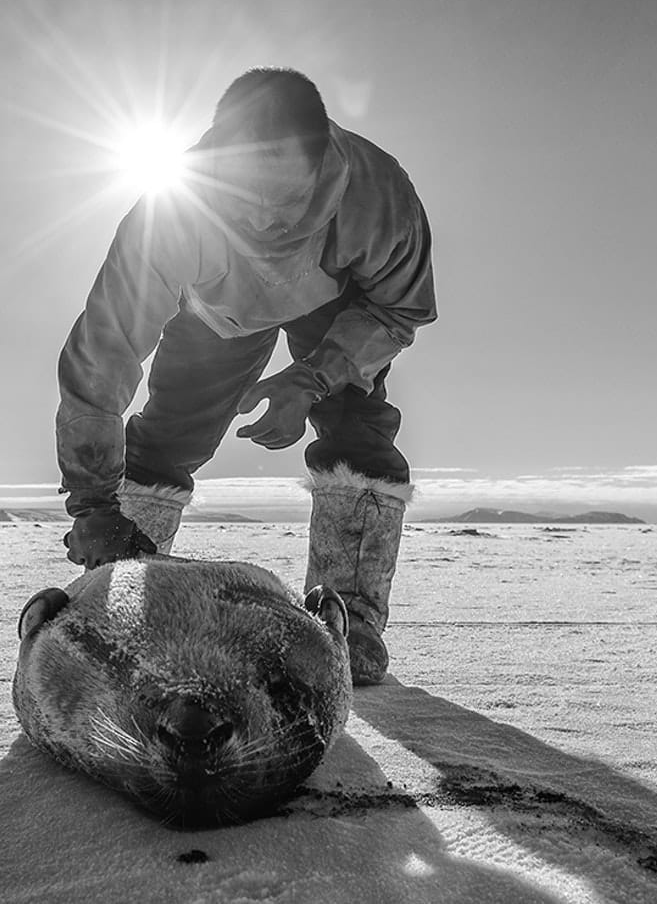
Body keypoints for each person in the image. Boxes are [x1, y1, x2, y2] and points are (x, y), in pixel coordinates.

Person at [55, 68, 436, 685]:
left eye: (285, 203)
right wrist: (93, 502)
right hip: (216, 310)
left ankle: (350, 622)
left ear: (323, 162)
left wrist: (311, 379)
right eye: (241, 197)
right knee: (169, 436)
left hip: (338, 302)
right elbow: (104, 352)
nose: (261, 222)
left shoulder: (378, 196)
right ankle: (120, 603)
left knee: (357, 430)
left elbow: (398, 308)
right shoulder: (170, 213)